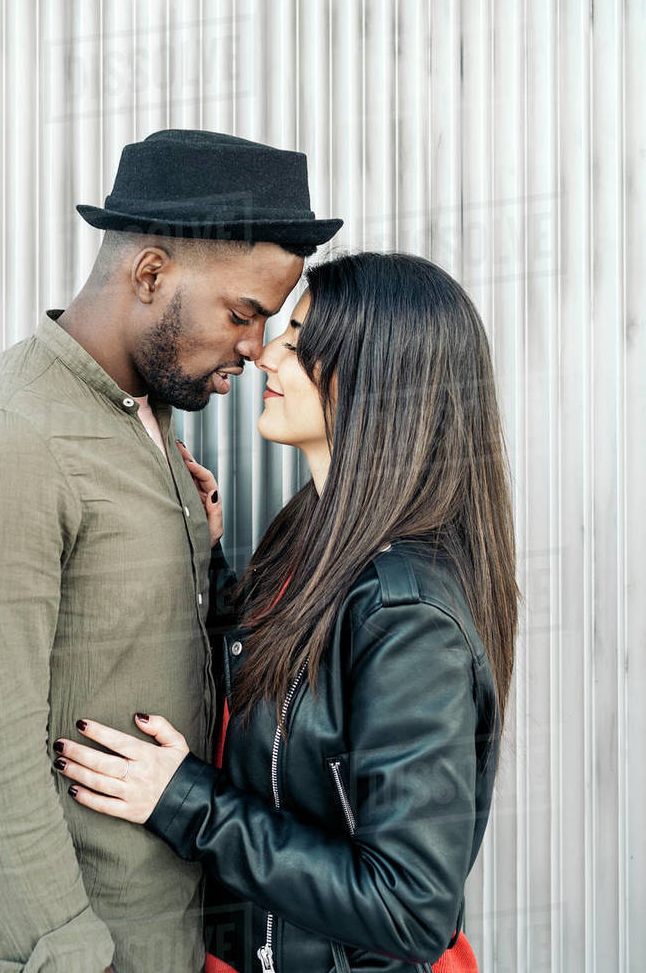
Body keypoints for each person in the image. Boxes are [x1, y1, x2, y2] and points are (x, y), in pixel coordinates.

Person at [0, 129, 343, 973]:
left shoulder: (148, 422)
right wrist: (71, 956)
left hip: (167, 936)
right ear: (149, 276)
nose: (256, 349)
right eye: (242, 314)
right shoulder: (3, 444)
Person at [44, 252, 519, 973]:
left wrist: (184, 803)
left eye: (296, 343)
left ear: (374, 382)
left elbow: (409, 907)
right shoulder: (309, 540)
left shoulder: (408, 618)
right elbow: (275, 710)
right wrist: (205, 565)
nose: (265, 354)